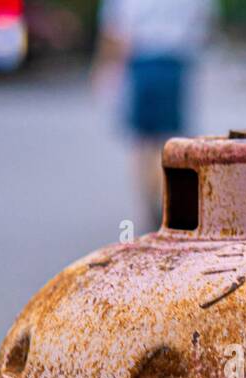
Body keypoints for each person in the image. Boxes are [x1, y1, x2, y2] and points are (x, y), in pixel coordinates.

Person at [94, 0, 217, 230]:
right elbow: (205, 23)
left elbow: (114, 31)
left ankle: (152, 208)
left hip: (142, 62)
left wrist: (103, 67)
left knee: (143, 143)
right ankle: (166, 203)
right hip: (175, 63)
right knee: (170, 141)